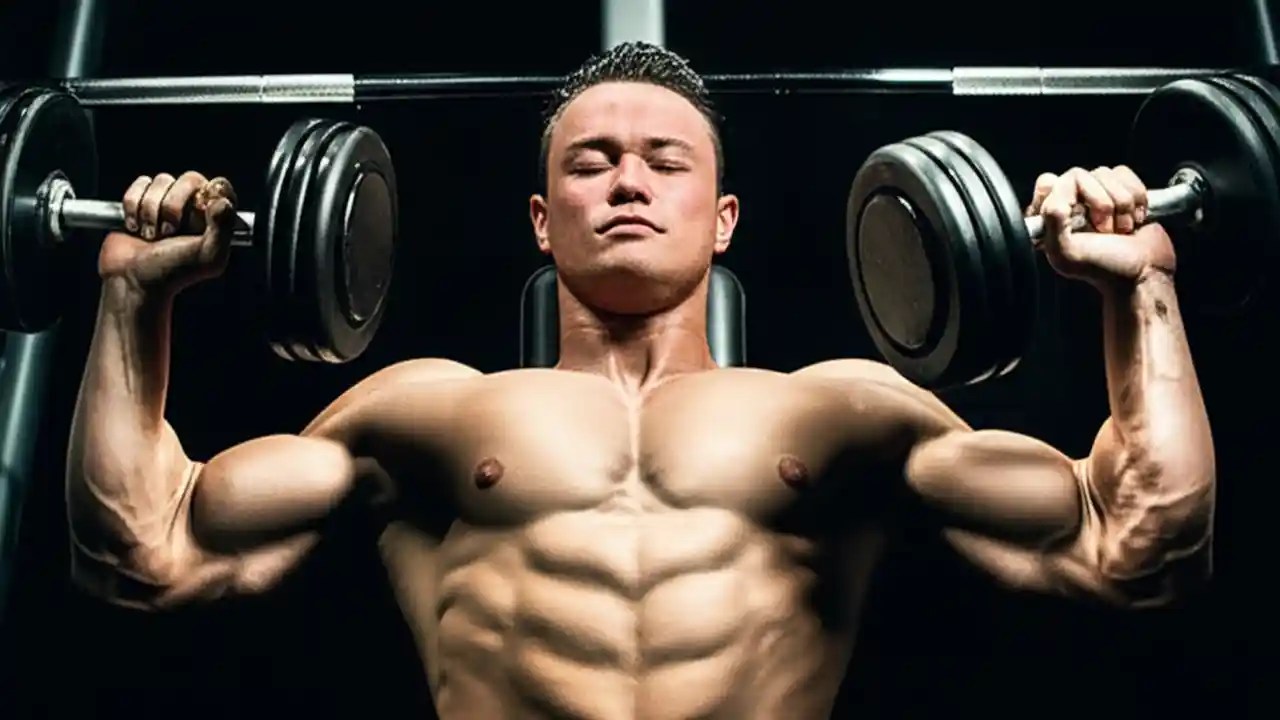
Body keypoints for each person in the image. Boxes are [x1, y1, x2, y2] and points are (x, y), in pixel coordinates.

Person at [65, 42, 1216, 719]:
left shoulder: (840, 408)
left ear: (721, 221)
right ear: (538, 217)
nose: (626, 182)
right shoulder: (424, 409)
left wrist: (1138, 285)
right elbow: (145, 552)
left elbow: (1136, 550)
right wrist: (133, 293)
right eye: (589, 162)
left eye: (664, 163)